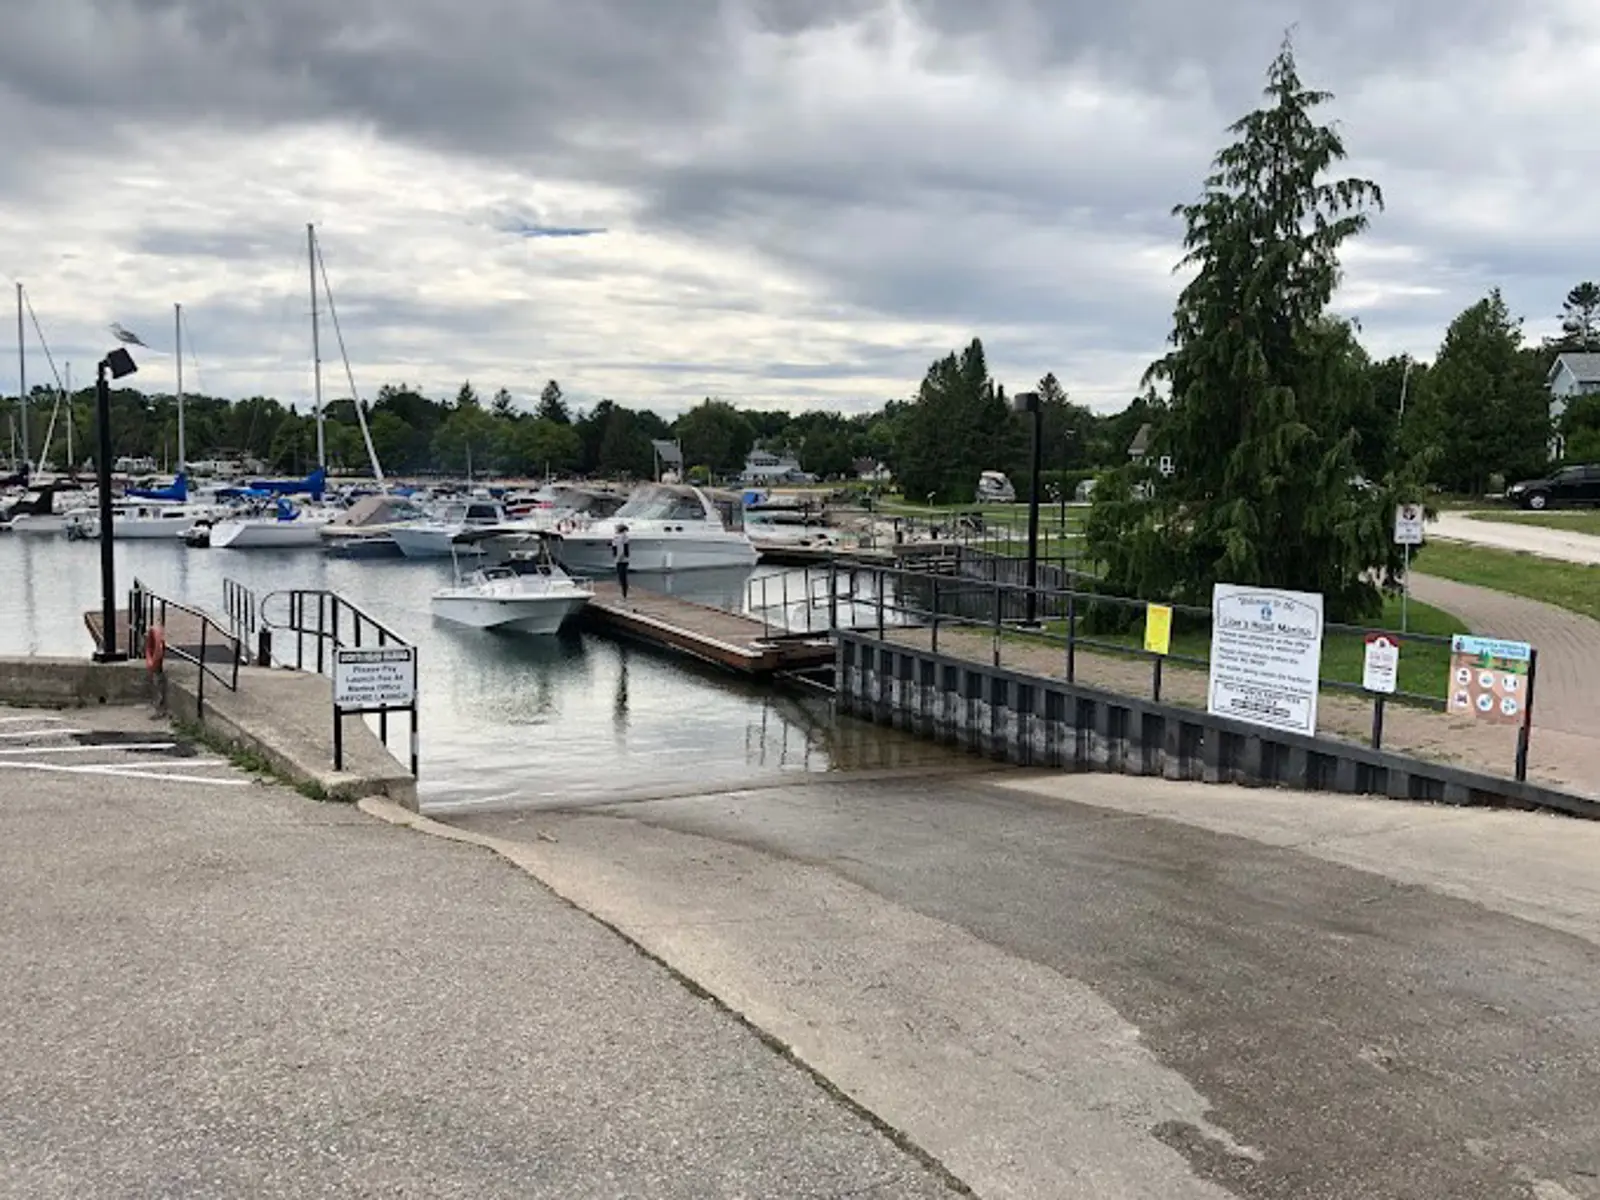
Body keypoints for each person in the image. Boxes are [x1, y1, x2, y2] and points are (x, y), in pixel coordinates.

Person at [611, 523, 630, 600]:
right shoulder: (622, 537)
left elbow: (620, 549)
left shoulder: (621, 537)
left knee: (622, 577)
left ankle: (624, 594)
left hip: (621, 559)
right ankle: (624, 593)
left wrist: (618, 558)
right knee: (622, 577)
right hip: (623, 559)